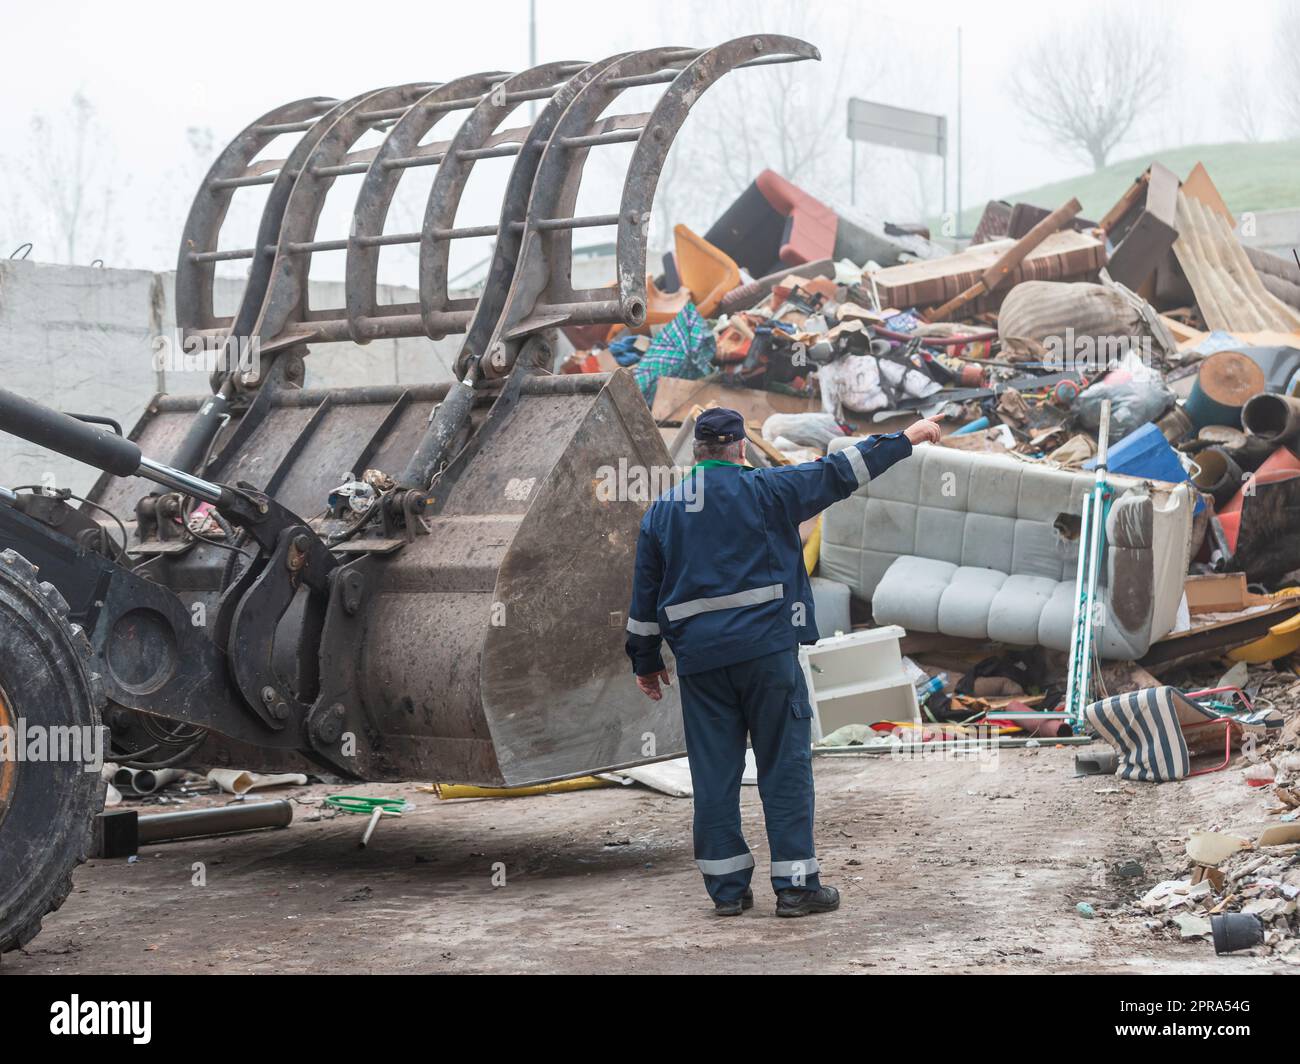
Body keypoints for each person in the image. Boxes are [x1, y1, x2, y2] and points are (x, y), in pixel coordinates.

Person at [625, 407, 940, 916]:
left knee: (714, 775)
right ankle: (795, 888)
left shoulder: (662, 512)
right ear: (741, 449)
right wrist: (906, 438)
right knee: (783, 769)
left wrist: (644, 662)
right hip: (767, 655)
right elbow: (842, 471)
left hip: (701, 665)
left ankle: (727, 893)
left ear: (696, 452)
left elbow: (643, 602)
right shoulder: (769, 490)